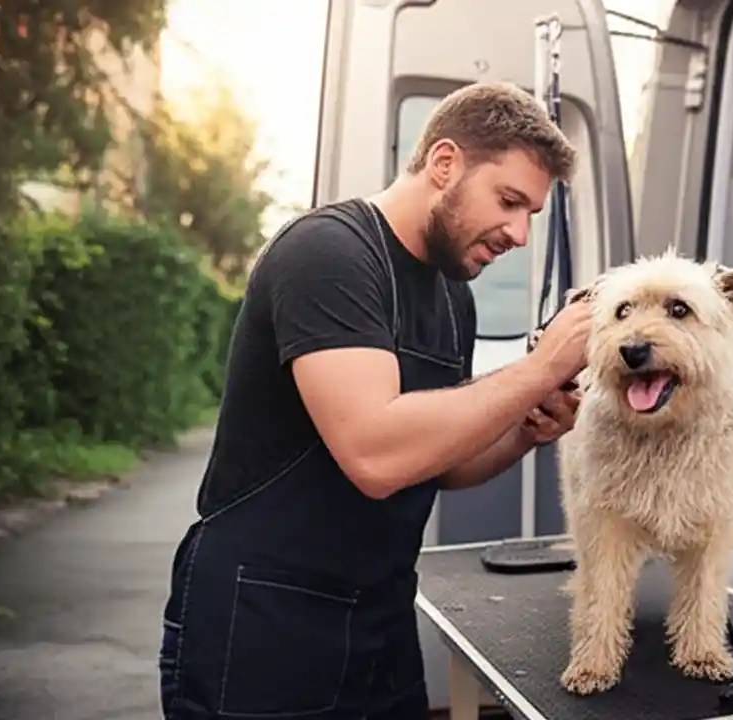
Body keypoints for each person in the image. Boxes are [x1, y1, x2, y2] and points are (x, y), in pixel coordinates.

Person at [158, 81, 592, 719]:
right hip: (262, 625)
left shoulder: (452, 295)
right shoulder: (328, 253)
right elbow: (375, 454)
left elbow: (436, 462)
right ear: (445, 163)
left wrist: (525, 431)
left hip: (379, 623)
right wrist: (541, 366)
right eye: (509, 201)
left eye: (531, 213)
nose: (521, 234)